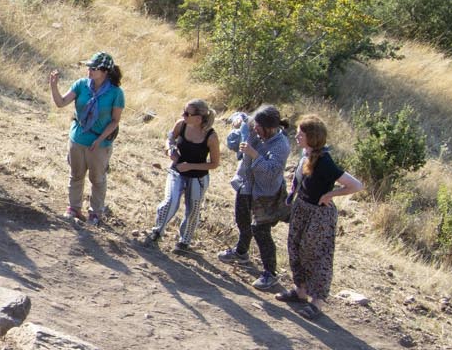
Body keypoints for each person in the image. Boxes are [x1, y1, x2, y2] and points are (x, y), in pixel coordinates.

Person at [279, 115, 362, 318]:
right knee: (296, 248)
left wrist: (330, 195)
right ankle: (300, 291)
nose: (297, 136)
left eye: (301, 133)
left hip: (319, 214)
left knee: (317, 256)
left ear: (312, 137)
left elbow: (356, 185)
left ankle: (317, 302)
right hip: (302, 208)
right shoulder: (306, 155)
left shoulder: (325, 161)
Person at [221, 105, 292, 290]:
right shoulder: (254, 127)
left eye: (259, 127)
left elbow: (271, 172)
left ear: (270, 127)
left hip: (265, 195)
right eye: (255, 125)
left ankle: (270, 273)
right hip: (246, 185)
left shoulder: (281, 145)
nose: (255, 129)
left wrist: (255, 155)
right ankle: (241, 252)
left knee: (261, 232)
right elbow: (241, 118)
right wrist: (238, 122)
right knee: (242, 222)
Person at [48, 52, 124, 224]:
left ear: (105, 71)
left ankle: (95, 212)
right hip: (77, 138)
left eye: (94, 68)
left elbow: (115, 121)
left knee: (97, 178)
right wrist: (54, 86)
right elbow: (61, 103)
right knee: (76, 174)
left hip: (99, 143)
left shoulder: (116, 93)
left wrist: (100, 140)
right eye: (88, 67)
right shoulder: (81, 85)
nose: (89, 70)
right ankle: (74, 208)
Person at [143, 99, 221, 252]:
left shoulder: (211, 136)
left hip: (198, 177)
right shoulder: (181, 124)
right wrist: (169, 149)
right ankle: (157, 231)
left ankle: (184, 241)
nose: (183, 115)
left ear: (198, 118)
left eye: (187, 113)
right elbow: (170, 137)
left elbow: (214, 163)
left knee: (193, 210)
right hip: (177, 170)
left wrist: (190, 166)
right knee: (170, 200)